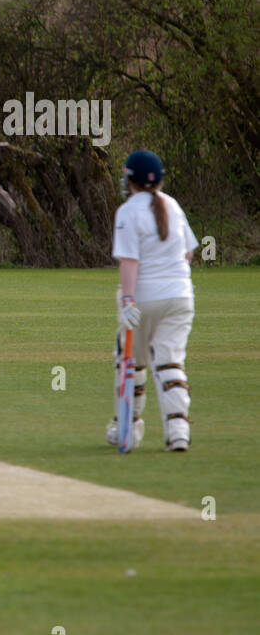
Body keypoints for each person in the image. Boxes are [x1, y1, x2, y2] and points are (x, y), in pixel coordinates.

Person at [106, 150, 197, 451]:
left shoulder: (128, 211)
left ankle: (128, 425)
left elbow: (129, 261)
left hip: (145, 298)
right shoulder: (173, 205)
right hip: (181, 297)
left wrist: (128, 300)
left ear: (129, 179)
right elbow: (188, 253)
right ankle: (178, 430)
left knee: (132, 361)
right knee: (170, 360)